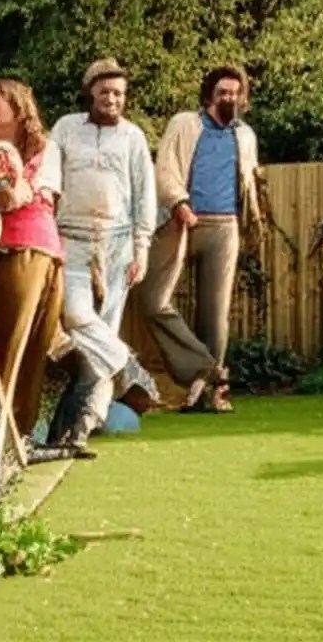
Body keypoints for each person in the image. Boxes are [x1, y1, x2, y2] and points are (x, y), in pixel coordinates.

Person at [43, 58, 160, 453]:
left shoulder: (133, 137)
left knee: (101, 335)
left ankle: (85, 423)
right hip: (71, 239)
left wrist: (142, 246)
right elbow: (50, 180)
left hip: (117, 243)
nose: (112, 99)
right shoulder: (65, 128)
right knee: (76, 318)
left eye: (119, 94)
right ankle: (129, 366)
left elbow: (145, 193)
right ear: (91, 91)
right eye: (106, 91)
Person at [138, 65, 263, 413]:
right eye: (223, 92)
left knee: (215, 313)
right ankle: (207, 371)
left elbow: (248, 183)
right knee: (151, 298)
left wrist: (252, 222)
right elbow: (165, 168)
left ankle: (211, 395)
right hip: (181, 221)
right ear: (210, 95)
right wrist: (179, 202)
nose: (230, 98)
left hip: (226, 227)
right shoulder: (184, 124)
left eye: (235, 93)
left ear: (243, 98)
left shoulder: (246, 135)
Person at [0, 78, 64, 443]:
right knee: (0, 345)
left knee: (28, 348)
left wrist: (16, 190)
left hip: (33, 250)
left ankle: (13, 435)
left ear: (20, 109)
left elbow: (32, 192)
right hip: (3, 252)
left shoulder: (43, 149)